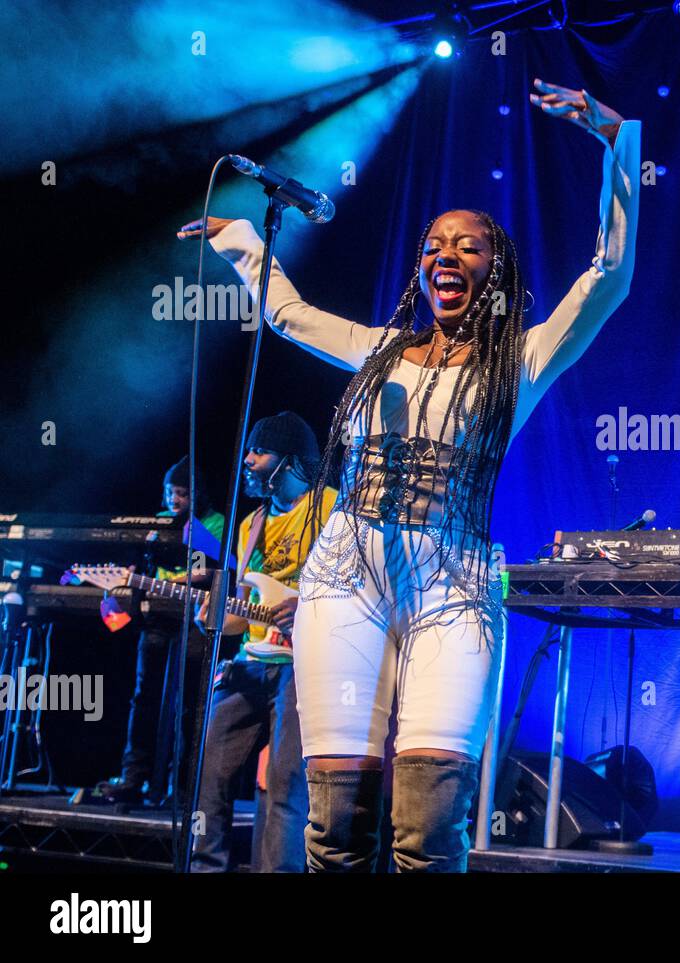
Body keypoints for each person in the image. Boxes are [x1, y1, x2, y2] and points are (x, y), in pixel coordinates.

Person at [179, 79, 639, 872]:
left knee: (428, 829)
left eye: (467, 244)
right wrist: (240, 239)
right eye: (432, 246)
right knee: (336, 827)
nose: (444, 256)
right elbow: (287, 314)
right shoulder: (378, 351)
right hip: (347, 576)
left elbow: (609, 275)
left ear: (497, 267)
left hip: (451, 583)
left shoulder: (520, 360)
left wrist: (615, 135)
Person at [190, 411, 338, 872]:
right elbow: (240, 611)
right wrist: (213, 619)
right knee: (207, 773)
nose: (248, 460)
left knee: (285, 784)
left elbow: (357, 588)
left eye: (259, 451)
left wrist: (310, 606)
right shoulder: (248, 525)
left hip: (303, 665)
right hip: (251, 661)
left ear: (290, 461)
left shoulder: (333, 507)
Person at [94, 457, 225, 808]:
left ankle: (182, 787)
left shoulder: (211, 522)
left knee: (188, 702)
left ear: (197, 494)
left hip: (192, 617)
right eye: (171, 492)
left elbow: (209, 569)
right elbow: (141, 564)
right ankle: (134, 777)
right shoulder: (157, 525)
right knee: (144, 696)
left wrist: (173, 578)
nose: (175, 499)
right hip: (156, 617)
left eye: (182, 493)